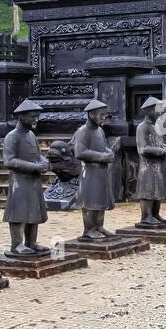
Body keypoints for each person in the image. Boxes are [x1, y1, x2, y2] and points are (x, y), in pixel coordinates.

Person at [2, 100, 51, 257]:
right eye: (32, 117)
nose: (35, 120)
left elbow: (37, 155)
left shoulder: (31, 135)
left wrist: (44, 162)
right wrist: (34, 166)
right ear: (21, 117)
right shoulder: (12, 137)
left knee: (33, 211)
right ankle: (17, 244)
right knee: (19, 212)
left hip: (33, 180)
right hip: (20, 180)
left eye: (37, 117)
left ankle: (31, 242)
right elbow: (9, 160)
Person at [72, 99, 117, 240]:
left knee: (101, 199)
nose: (104, 117)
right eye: (101, 114)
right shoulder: (83, 132)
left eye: (105, 114)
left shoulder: (100, 131)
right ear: (91, 114)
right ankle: (88, 229)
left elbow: (103, 147)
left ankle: (99, 225)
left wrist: (109, 152)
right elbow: (80, 152)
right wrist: (102, 156)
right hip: (90, 170)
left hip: (102, 171)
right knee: (90, 200)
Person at [134, 97, 166, 228]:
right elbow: (143, 149)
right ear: (149, 111)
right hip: (148, 166)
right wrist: (161, 151)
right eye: (157, 110)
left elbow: (160, 143)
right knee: (148, 190)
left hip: (158, 165)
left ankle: (155, 214)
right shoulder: (142, 127)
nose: (160, 113)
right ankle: (146, 216)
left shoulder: (156, 127)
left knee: (158, 191)